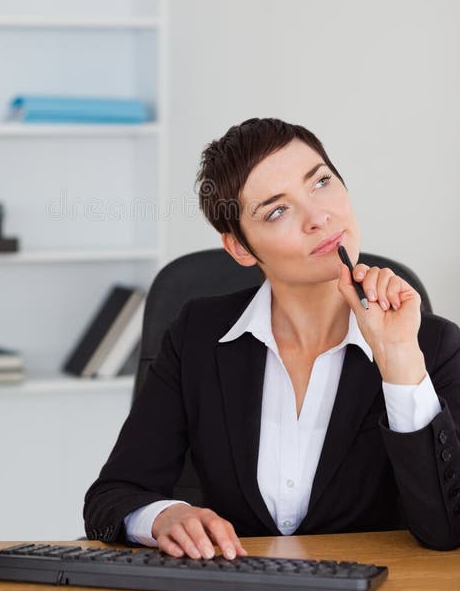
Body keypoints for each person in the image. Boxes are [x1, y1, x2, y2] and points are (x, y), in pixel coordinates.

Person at [83, 118, 460, 557]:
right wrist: (163, 516)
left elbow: (446, 530)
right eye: (277, 210)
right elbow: (112, 496)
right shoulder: (197, 336)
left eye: (320, 182)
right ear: (241, 248)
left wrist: (399, 359)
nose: (318, 217)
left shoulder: (431, 346)